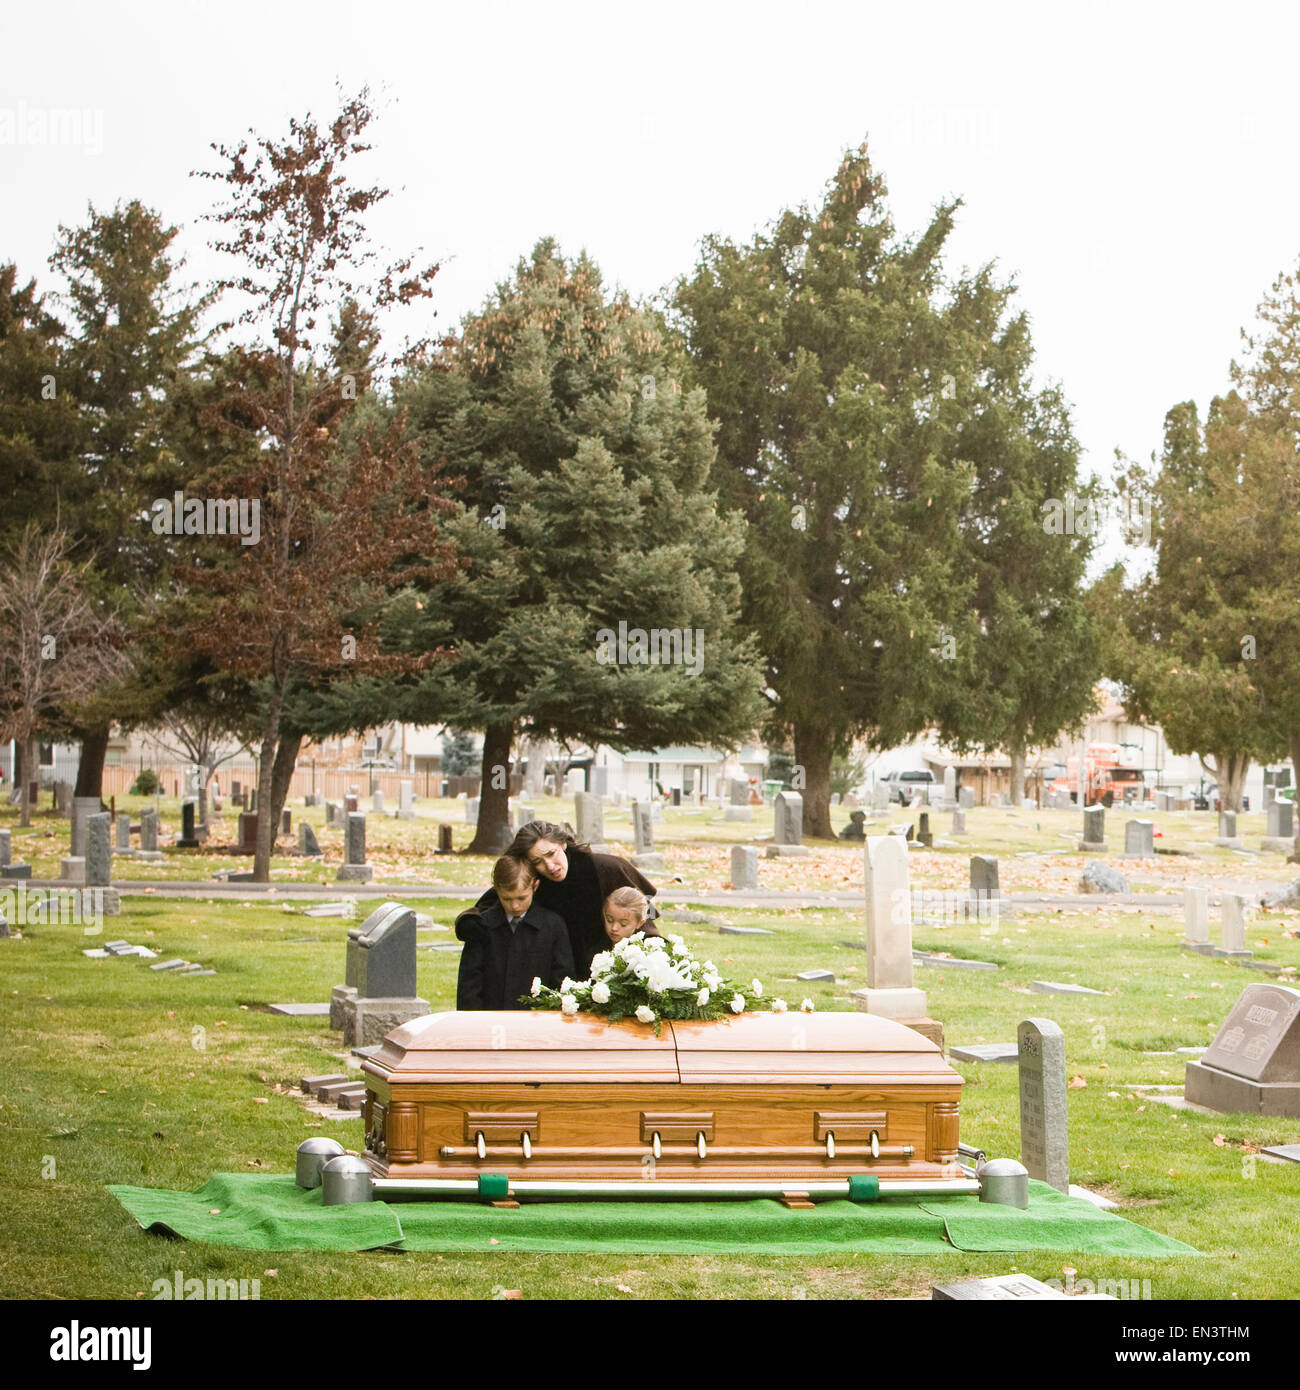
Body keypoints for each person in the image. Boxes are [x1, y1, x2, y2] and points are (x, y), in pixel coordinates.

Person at [474, 820, 659, 979]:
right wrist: (468, 920)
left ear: (562, 844)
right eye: (537, 861)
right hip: (559, 973)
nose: (549, 866)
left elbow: (642, 912)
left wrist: (654, 951)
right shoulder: (536, 882)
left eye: (551, 854)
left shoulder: (605, 868)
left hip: (608, 971)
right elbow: (494, 901)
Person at [456, 855, 574, 1010]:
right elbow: (469, 984)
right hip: (491, 1020)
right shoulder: (482, 926)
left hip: (537, 1021)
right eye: (507, 899)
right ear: (496, 890)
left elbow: (562, 979)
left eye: (522, 898)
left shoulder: (553, 925)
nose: (515, 906)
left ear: (535, 886)